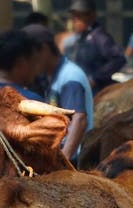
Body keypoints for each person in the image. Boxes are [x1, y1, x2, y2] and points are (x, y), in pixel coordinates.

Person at [24, 24, 92, 162]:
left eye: (30, 56)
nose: (28, 63)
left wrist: (63, 161)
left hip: (75, 162)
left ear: (44, 49)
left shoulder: (70, 77)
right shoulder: (51, 76)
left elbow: (79, 119)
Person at [64, 0, 125, 93]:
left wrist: (95, 78)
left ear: (91, 16)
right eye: (74, 16)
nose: (75, 20)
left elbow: (118, 59)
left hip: (97, 91)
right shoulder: (81, 36)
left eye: (80, 16)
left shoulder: (99, 36)